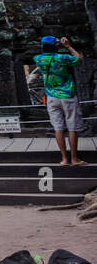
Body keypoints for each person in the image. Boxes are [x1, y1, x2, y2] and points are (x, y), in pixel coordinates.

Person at [33, 36, 86, 166]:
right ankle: (74, 159)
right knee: (72, 127)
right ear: (56, 46)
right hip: (67, 96)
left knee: (58, 127)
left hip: (51, 97)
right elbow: (79, 58)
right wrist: (68, 46)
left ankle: (64, 159)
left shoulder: (38, 59)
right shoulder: (62, 58)